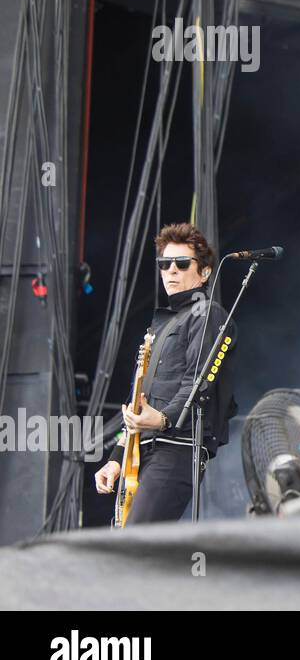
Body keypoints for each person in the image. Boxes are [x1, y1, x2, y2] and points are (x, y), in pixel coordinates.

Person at [94, 222, 238, 523]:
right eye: (165, 263)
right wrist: (115, 460)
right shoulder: (159, 326)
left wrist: (162, 418)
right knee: (129, 546)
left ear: (205, 272)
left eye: (182, 263)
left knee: (137, 540)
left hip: (178, 450)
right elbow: (137, 403)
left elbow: (200, 382)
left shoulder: (208, 314)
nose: (171, 270)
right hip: (141, 450)